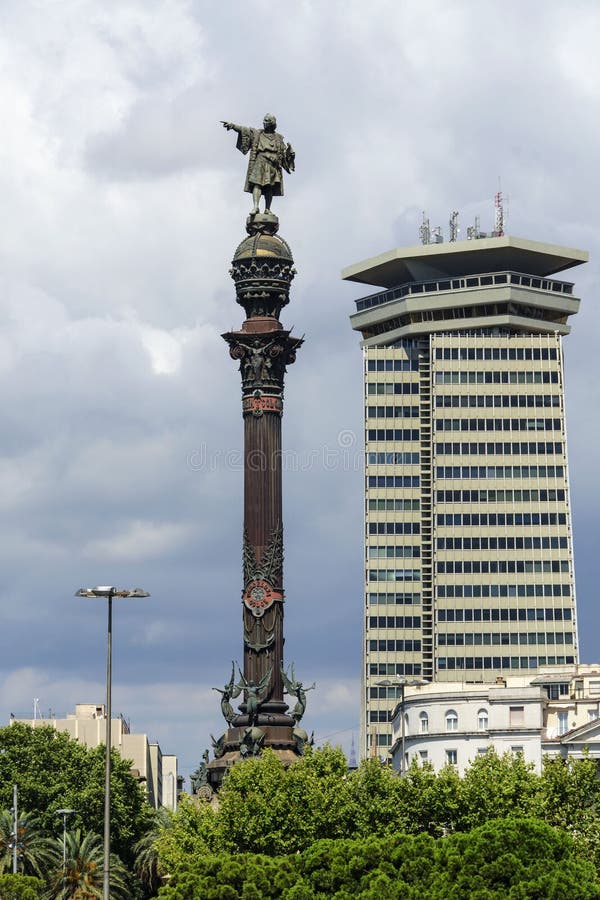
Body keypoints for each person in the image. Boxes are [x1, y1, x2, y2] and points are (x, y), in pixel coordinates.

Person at [222, 114, 295, 215]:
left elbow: (284, 155)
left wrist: (290, 154)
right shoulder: (258, 134)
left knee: (269, 187)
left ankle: (267, 209)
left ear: (272, 124)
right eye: (264, 121)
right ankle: (256, 207)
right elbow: (245, 130)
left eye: (267, 121)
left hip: (272, 164)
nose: (264, 123)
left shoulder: (278, 138)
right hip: (260, 161)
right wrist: (233, 125)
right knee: (257, 184)